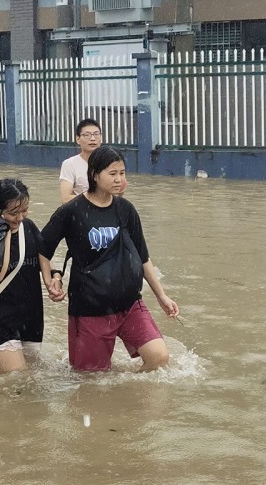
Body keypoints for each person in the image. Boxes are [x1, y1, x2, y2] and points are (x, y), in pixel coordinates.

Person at [40, 145, 179, 372]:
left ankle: (127, 393)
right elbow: (42, 248)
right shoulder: (72, 211)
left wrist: (162, 296)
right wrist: (52, 279)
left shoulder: (126, 209)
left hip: (130, 303)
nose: (119, 179)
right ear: (94, 175)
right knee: (92, 378)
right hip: (90, 307)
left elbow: (143, 256)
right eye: (112, 173)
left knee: (159, 357)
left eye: (122, 173)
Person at [0, 178, 62, 373]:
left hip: (31, 319)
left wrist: (54, 279)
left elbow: (43, 258)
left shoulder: (29, 226)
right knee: (19, 378)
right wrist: (8, 231)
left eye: (24, 210)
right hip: (0, 320)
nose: (20, 218)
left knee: (30, 378)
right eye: (13, 213)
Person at [59, 118, 103, 203]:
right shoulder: (69, 164)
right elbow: (65, 198)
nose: (93, 138)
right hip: (82, 209)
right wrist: (95, 198)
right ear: (78, 139)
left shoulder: (109, 162)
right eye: (87, 135)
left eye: (96, 134)